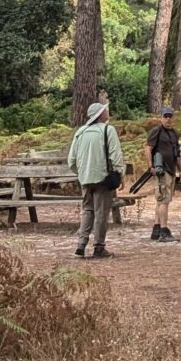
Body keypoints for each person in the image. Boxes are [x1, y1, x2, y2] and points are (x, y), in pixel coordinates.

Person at [66, 101, 123, 259]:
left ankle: (81, 245)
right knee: (101, 213)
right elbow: (115, 155)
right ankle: (99, 247)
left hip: (85, 179)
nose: (107, 112)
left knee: (87, 211)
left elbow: (71, 160)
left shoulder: (81, 132)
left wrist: (82, 174)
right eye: (105, 110)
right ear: (100, 115)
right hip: (103, 179)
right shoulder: (108, 130)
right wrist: (119, 173)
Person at [146, 107, 181, 243]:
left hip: (172, 169)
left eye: (170, 116)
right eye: (165, 116)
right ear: (161, 118)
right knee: (163, 200)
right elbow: (148, 149)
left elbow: (177, 153)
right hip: (162, 170)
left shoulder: (174, 133)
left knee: (163, 200)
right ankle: (164, 230)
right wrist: (151, 166)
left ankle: (156, 228)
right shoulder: (156, 132)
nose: (168, 119)